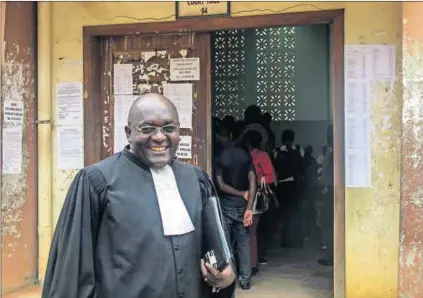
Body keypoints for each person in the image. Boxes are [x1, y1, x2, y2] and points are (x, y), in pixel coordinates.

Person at [41, 93, 235, 298]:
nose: (159, 137)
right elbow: (72, 271)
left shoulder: (197, 181)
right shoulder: (97, 182)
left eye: (169, 128)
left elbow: (219, 253)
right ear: (128, 133)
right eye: (147, 129)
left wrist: (227, 277)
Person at [214, 123, 256, 290]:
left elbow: (221, 185)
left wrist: (239, 194)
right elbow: (253, 181)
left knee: (226, 243)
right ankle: (245, 280)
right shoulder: (245, 153)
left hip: (225, 205)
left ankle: (228, 278)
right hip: (242, 206)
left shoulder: (219, 155)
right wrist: (249, 207)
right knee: (244, 243)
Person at [240, 130, 276, 274]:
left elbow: (271, 177)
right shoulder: (246, 154)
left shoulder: (261, 156)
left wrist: (256, 182)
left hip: (255, 198)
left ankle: (252, 264)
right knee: (247, 232)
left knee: (250, 232)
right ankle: (248, 263)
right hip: (243, 196)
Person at [318, 124, 334, 266]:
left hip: (329, 189)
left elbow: (325, 170)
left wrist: (322, 184)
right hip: (340, 190)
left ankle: (329, 255)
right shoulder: (343, 146)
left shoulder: (330, 148)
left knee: (327, 222)